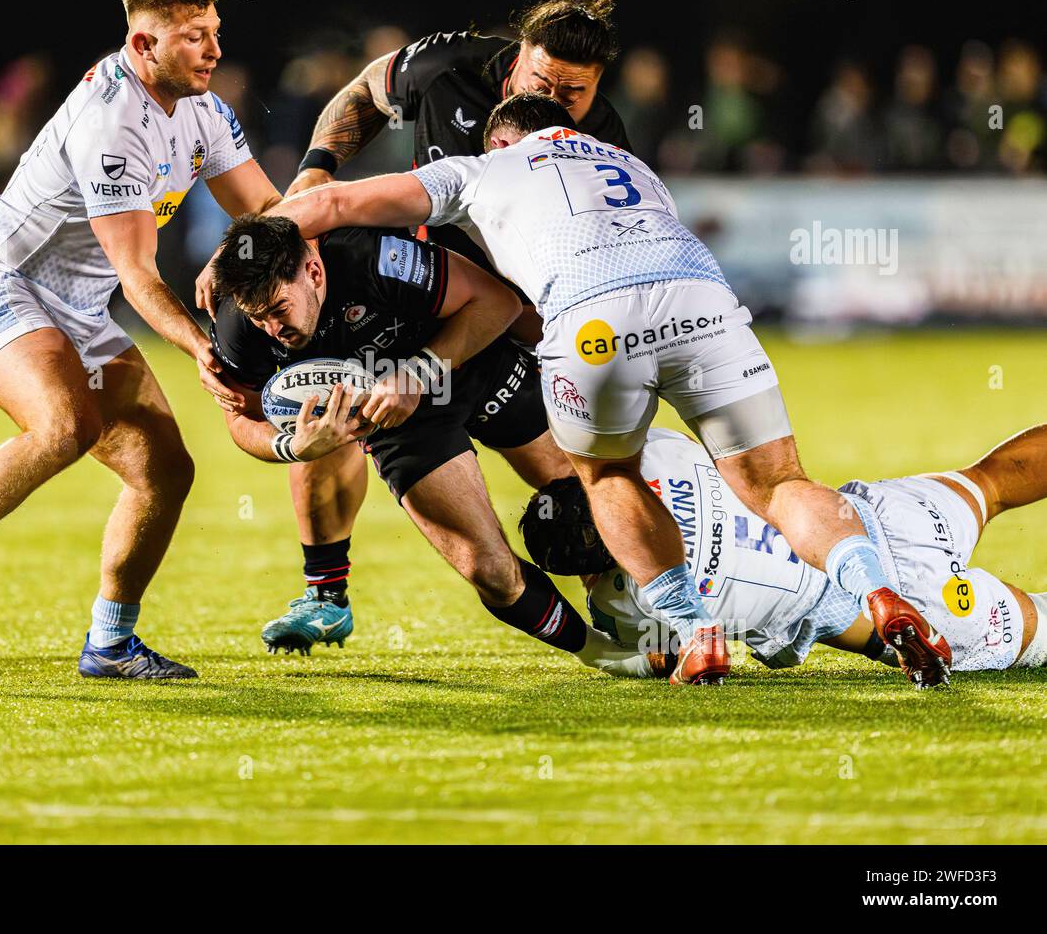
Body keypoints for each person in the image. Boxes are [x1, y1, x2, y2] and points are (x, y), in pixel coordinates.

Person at [269, 91, 952, 689]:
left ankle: (692, 631)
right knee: (779, 484)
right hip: (705, 301)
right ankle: (879, 591)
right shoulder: (630, 163)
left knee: (606, 478)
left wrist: (248, 245)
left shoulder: (487, 165)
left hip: (594, 318)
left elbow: (330, 202)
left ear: (504, 138)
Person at [0, 0, 282, 679]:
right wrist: (204, 350)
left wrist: (346, 238)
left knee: (164, 470)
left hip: (76, 307)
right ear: (143, 44)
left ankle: (111, 643)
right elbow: (139, 277)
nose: (214, 50)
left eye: (215, 32)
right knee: (65, 426)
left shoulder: (204, 110)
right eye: (194, 37)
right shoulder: (113, 120)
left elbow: (269, 214)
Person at [194, 0, 634, 655]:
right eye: (544, 83)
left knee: (577, 485)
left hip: (515, 313)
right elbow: (362, 100)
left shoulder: (601, 142)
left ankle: (625, 601)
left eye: (575, 94)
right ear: (515, 63)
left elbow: (560, 285)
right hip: (425, 290)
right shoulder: (446, 68)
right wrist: (286, 205)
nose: (557, 102)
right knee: (317, 393)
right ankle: (325, 594)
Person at [204, 214, 635, 675]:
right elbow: (242, 418)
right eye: (258, 317)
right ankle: (605, 653)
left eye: (278, 309)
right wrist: (292, 447)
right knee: (488, 570)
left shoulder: (373, 259)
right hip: (395, 422)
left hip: (469, 366)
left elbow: (498, 303)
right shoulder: (238, 327)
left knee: (585, 504)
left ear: (313, 272)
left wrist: (418, 373)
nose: (272, 329)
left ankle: (649, 617)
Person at [519, 426, 1047, 684]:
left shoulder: (626, 606)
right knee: (993, 481)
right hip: (868, 517)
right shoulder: (654, 451)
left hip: (898, 613)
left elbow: (659, 658)